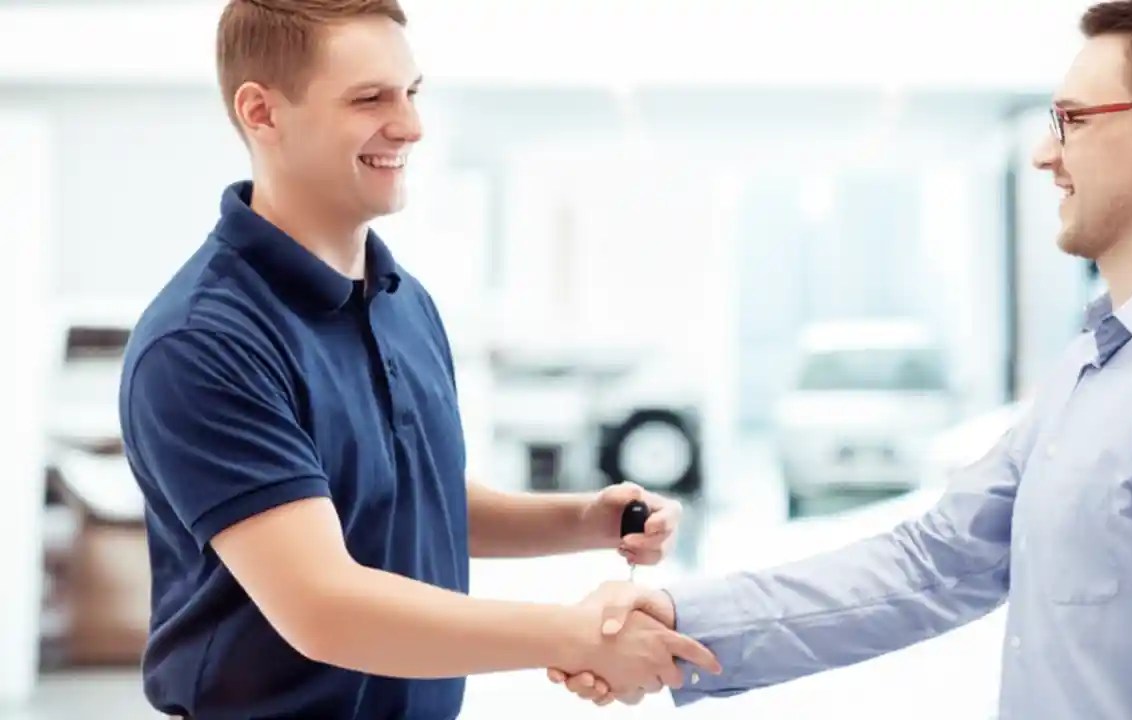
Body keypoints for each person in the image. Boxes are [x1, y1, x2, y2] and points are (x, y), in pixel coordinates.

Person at [549, 0, 1132, 716]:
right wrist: (679, 618)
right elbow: (934, 562)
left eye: (1072, 120)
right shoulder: (1101, 364)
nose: (1043, 153)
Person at [117, 2, 720, 718]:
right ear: (261, 112)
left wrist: (583, 520)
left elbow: (407, 500)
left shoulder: (402, 300)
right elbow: (324, 605)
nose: (410, 125)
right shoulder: (205, 341)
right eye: (370, 98)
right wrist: (575, 636)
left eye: (411, 92)